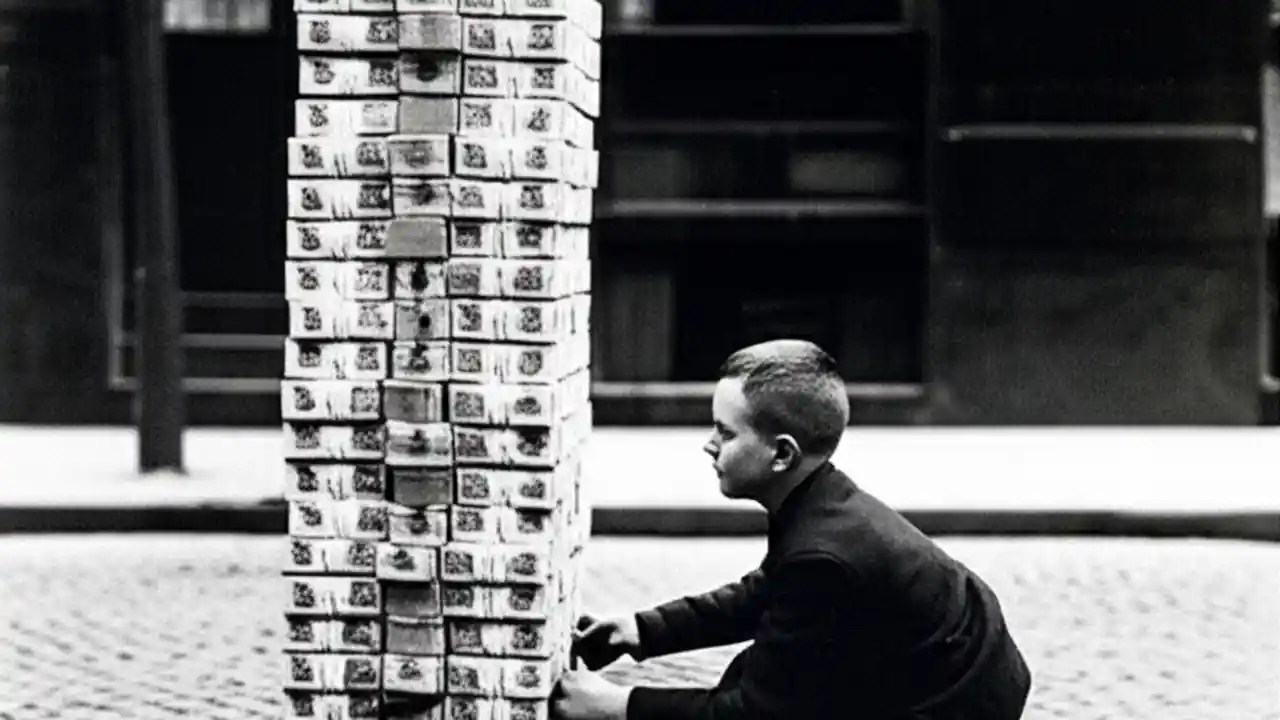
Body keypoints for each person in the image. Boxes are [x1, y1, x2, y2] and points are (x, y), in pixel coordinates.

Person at [552, 339, 1032, 720]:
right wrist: (643, 630)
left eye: (726, 432)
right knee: (756, 670)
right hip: (948, 669)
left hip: (953, 703)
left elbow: (757, 714)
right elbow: (764, 592)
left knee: (762, 690)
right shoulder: (819, 503)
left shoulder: (823, 552)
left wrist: (616, 707)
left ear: (782, 455)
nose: (708, 445)